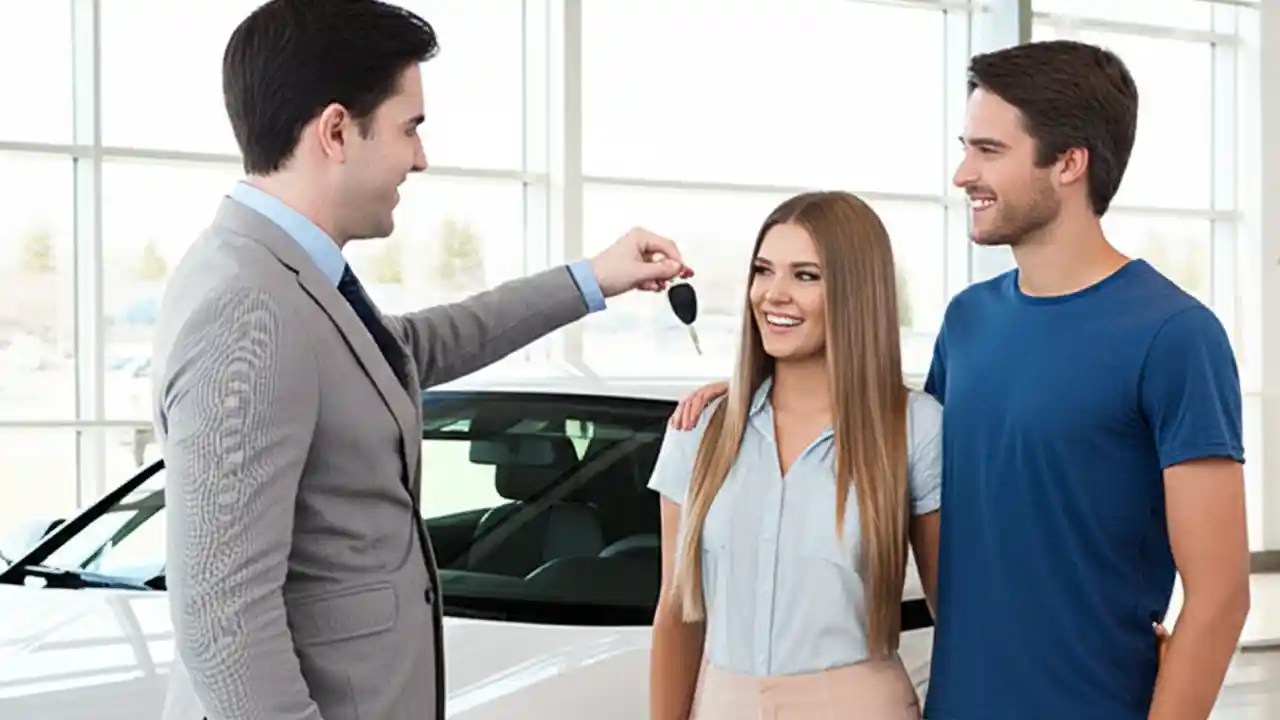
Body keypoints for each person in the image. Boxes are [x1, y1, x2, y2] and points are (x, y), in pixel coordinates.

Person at [668, 40, 1251, 720]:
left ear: (1069, 163)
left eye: (988, 151)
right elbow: (885, 429)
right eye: (965, 147)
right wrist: (750, 391)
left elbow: (1220, 596)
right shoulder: (969, 322)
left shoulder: (1175, 336)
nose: (961, 173)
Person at [150, 2, 692, 719]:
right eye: (411, 128)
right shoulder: (251, 303)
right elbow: (221, 615)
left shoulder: (289, 279)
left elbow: (409, 349)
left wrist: (594, 278)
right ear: (337, 131)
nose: (421, 157)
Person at [648, 190, 942, 720]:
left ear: (856, 292)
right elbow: (676, 612)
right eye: (764, 271)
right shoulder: (700, 428)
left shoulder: (916, 427)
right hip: (721, 703)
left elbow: (956, 618)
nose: (772, 294)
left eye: (805, 275)